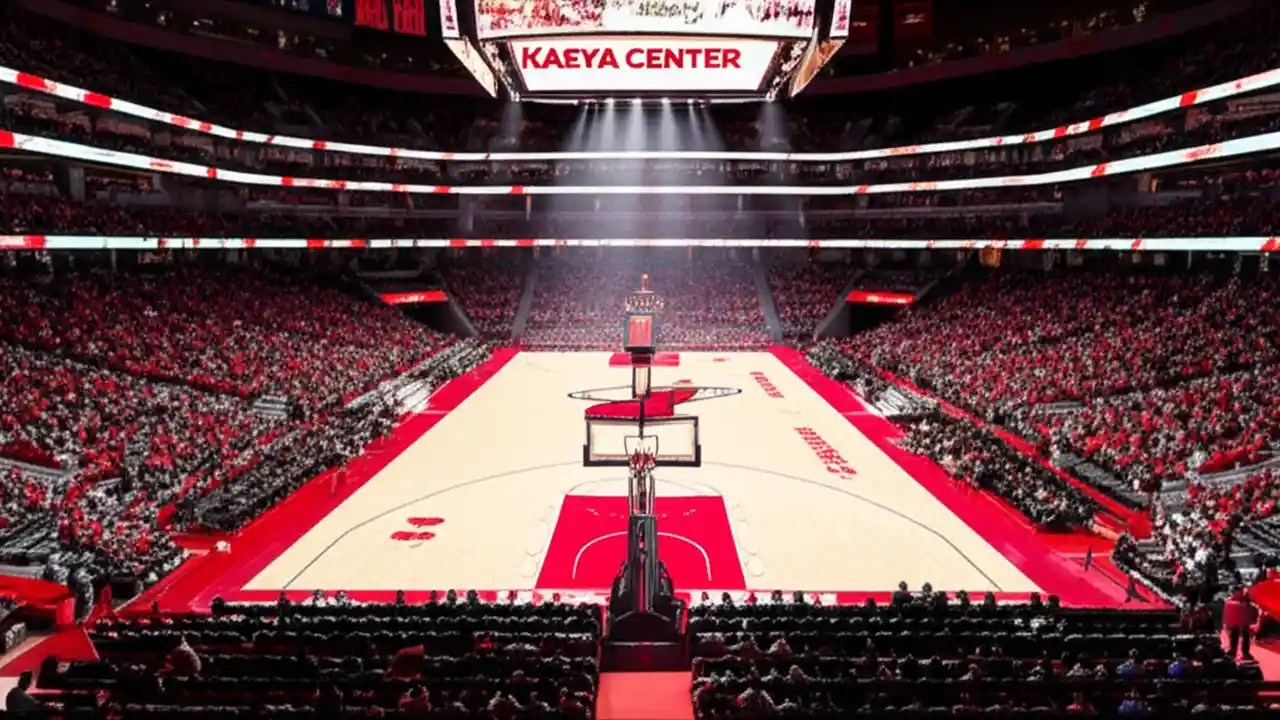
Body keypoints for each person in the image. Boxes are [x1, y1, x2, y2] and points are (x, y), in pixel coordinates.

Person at [1224, 586, 1258, 661]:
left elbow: (1251, 609)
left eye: (1241, 591)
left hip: (1244, 622)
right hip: (1234, 623)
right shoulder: (1230, 601)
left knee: (1246, 638)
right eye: (1238, 592)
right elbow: (1228, 612)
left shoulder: (1245, 601)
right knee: (1234, 638)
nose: (1240, 593)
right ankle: (1232, 653)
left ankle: (1245, 653)